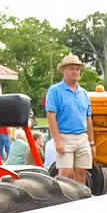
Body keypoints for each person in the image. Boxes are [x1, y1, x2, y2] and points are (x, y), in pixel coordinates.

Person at [45, 54, 94, 185]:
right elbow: (51, 116)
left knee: (82, 173)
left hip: (82, 136)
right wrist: (57, 140)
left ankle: (80, 200)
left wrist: (92, 142)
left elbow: (88, 118)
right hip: (65, 136)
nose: (75, 72)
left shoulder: (83, 92)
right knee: (65, 173)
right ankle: (62, 200)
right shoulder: (55, 90)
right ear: (64, 70)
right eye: (72, 68)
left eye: (78, 69)